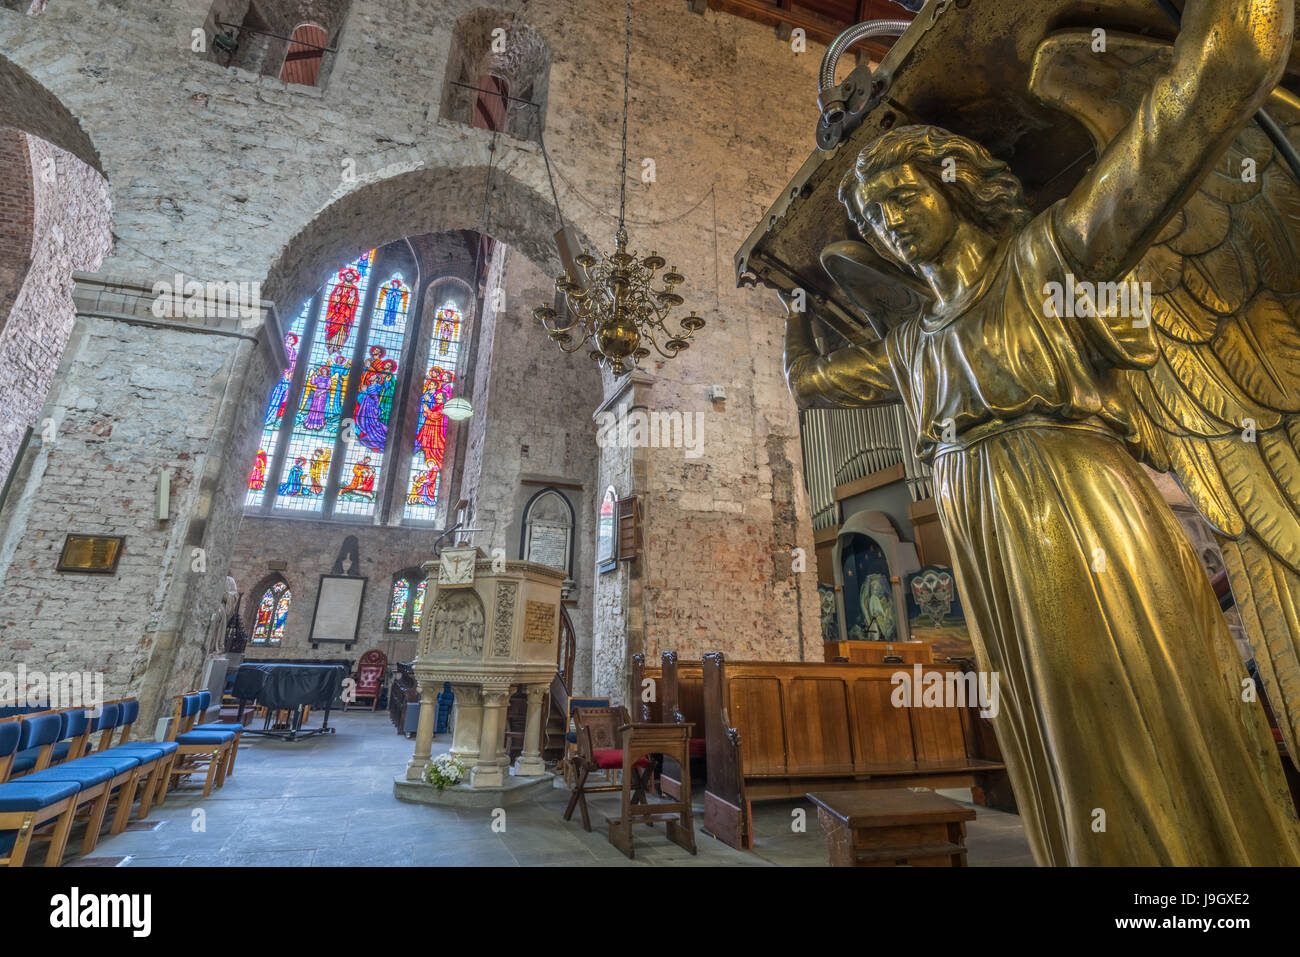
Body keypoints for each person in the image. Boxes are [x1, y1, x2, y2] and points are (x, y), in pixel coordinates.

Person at [784, 0, 1300, 865]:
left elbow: (1209, 86)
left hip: (1071, 497)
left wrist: (1238, 27)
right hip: (982, 528)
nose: (888, 223)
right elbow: (810, 385)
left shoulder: (1049, 259)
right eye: (871, 220)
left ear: (949, 179)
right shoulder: (912, 343)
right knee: (1048, 725)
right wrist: (793, 302)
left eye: (899, 194)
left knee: (1112, 697)